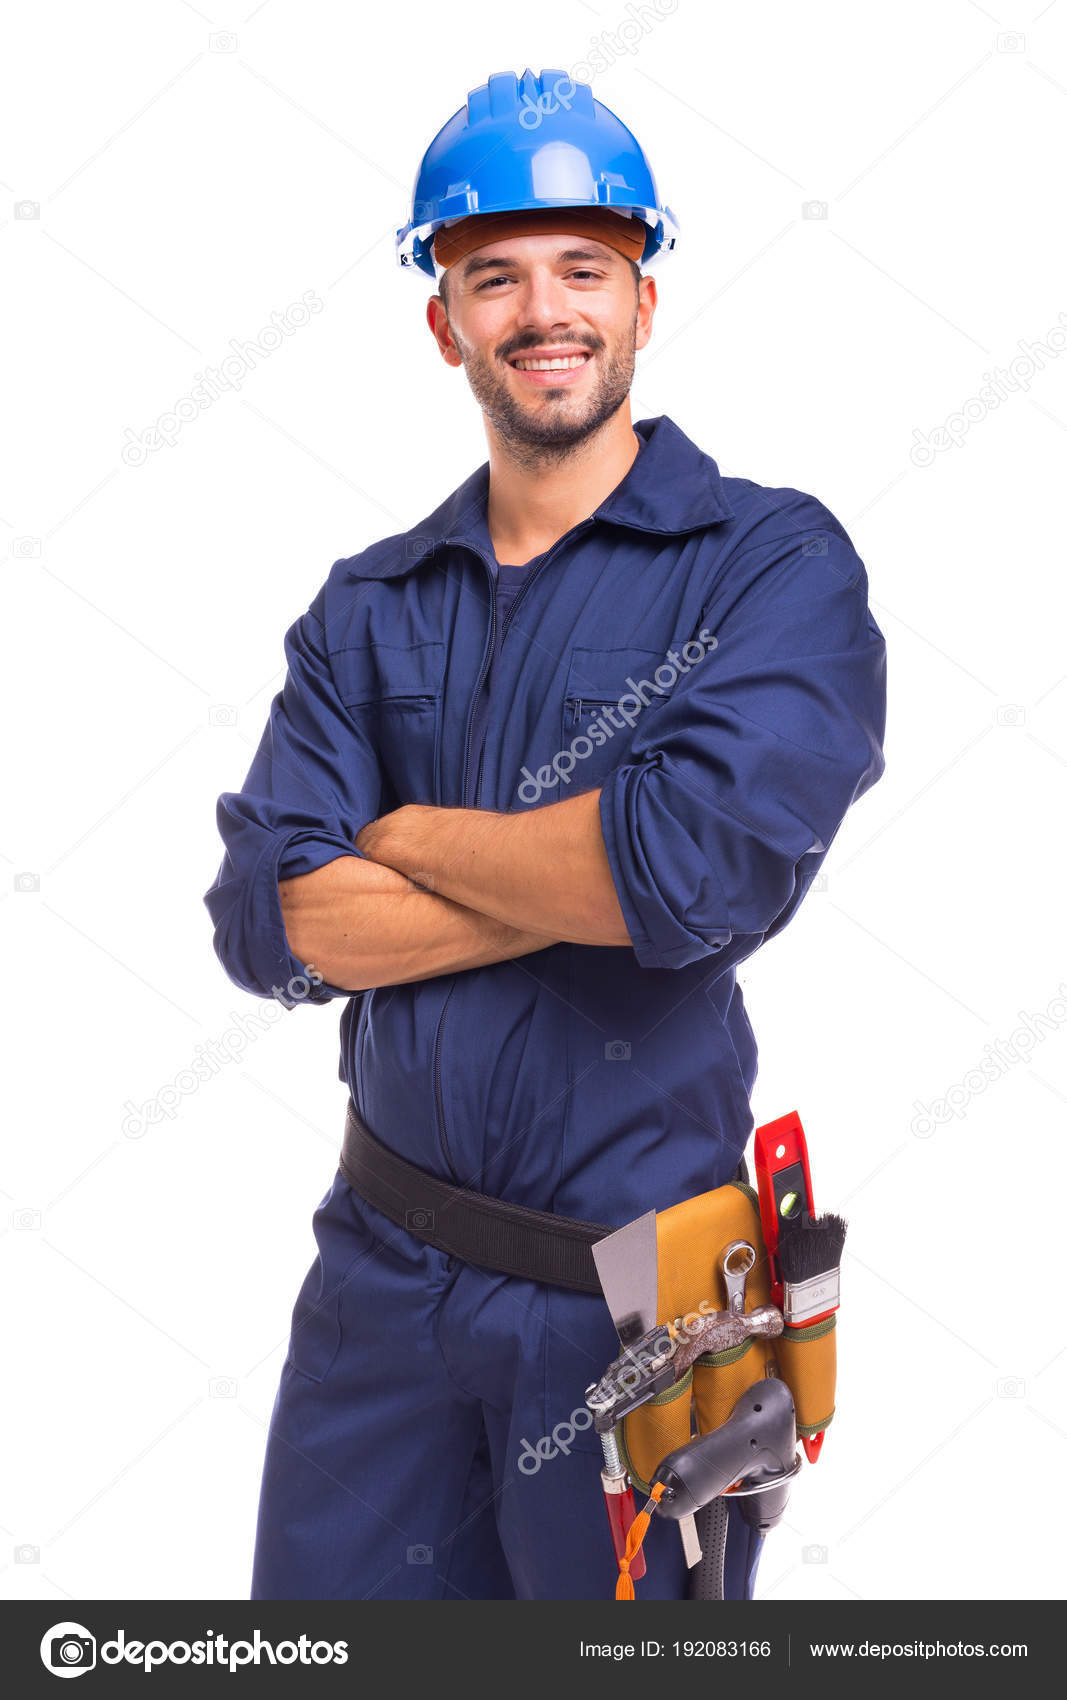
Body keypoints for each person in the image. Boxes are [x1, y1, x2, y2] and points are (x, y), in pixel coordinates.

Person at [204, 68, 887, 1602]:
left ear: (642, 298)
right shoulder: (369, 607)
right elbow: (275, 920)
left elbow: (699, 864)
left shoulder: (769, 567)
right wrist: (596, 874)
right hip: (377, 1290)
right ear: (443, 321)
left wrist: (402, 834)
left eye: (583, 267)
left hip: (646, 1311)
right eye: (494, 275)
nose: (543, 310)